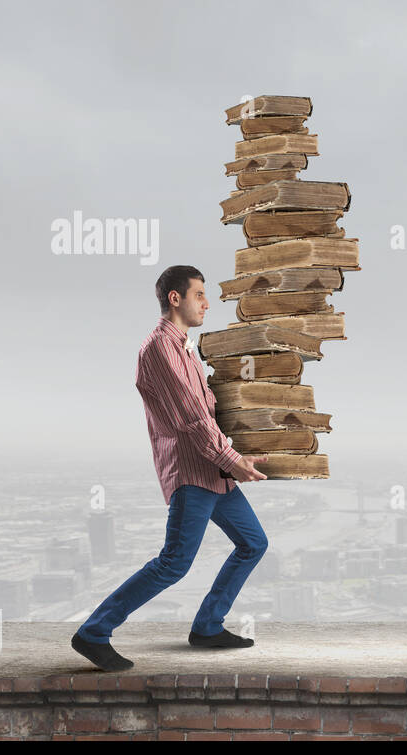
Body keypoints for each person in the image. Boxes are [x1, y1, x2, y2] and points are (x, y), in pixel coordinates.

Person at [72, 265, 271, 671]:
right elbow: (192, 420)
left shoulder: (185, 348)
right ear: (175, 298)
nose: (207, 302)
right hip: (192, 475)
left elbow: (208, 412)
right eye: (199, 294)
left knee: (253, 543)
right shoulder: (159, 349)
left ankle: (208, 626)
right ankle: (93, 632)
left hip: (214, 473)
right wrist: (235, 460)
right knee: (174, 562)